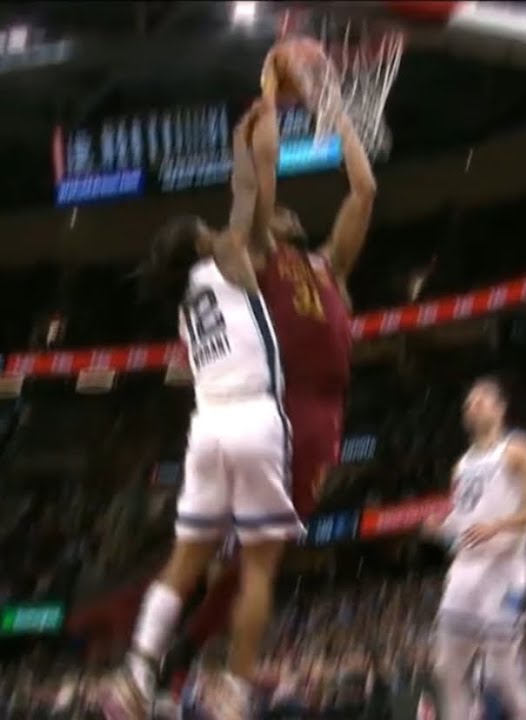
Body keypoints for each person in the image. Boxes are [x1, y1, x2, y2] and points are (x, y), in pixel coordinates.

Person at [156, 48, 377, 690]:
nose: (284, 213)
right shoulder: (254, 256)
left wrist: (336, 111)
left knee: (254, 558)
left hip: (324, 416)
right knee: (259, 559)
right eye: (276, 212)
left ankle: (184, 649)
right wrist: (275, 95)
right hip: (280, 410)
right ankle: (224, 681)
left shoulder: (327, 265)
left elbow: (365, 190)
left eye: (285, 215)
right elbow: (265, 171)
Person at [100, 100, 299, 719]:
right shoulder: (227, 262)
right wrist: (250, 140)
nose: (219, 231)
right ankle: (235, 691)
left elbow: (250, 217)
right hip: (253, 418)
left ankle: (136, 673)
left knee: (185, 560)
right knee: (260, 566)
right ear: (200, 242)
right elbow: (250, 195)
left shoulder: (187, 296)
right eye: (207, 230)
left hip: (205, 426)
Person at [421, 377, 526, 720]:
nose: (473, 405)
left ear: (500, 407)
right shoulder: (462, 464)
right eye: (468, 403)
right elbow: (466, 521)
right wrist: (442, 527)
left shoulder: (517, 449)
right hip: (466, 570)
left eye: (480, 399)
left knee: (502, 672)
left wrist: (499, 525)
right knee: (448, 670)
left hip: (505, 569)